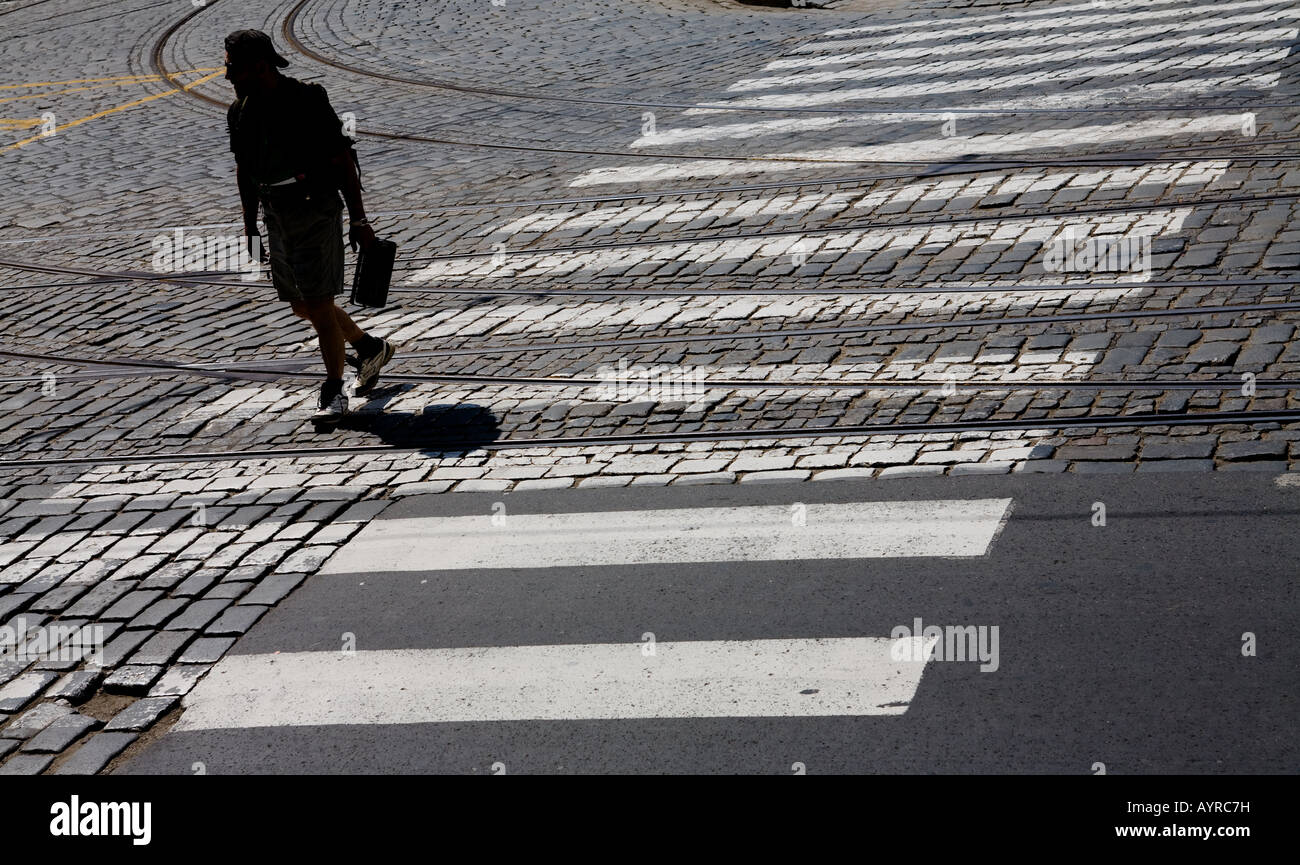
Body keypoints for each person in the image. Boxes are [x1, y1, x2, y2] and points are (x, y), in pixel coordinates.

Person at [223, 29, 395, 423]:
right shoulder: (239, 111)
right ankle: (368, 348)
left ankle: (333, 390)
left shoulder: (307, 99)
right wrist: (250, 228)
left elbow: (342, 162)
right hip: (275, 212)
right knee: (302, 304)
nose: (227, 75)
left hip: (314, 208)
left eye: (234, 68)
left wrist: (360, 219)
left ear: (261, 66)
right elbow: (244, 172)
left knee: (317, 302)